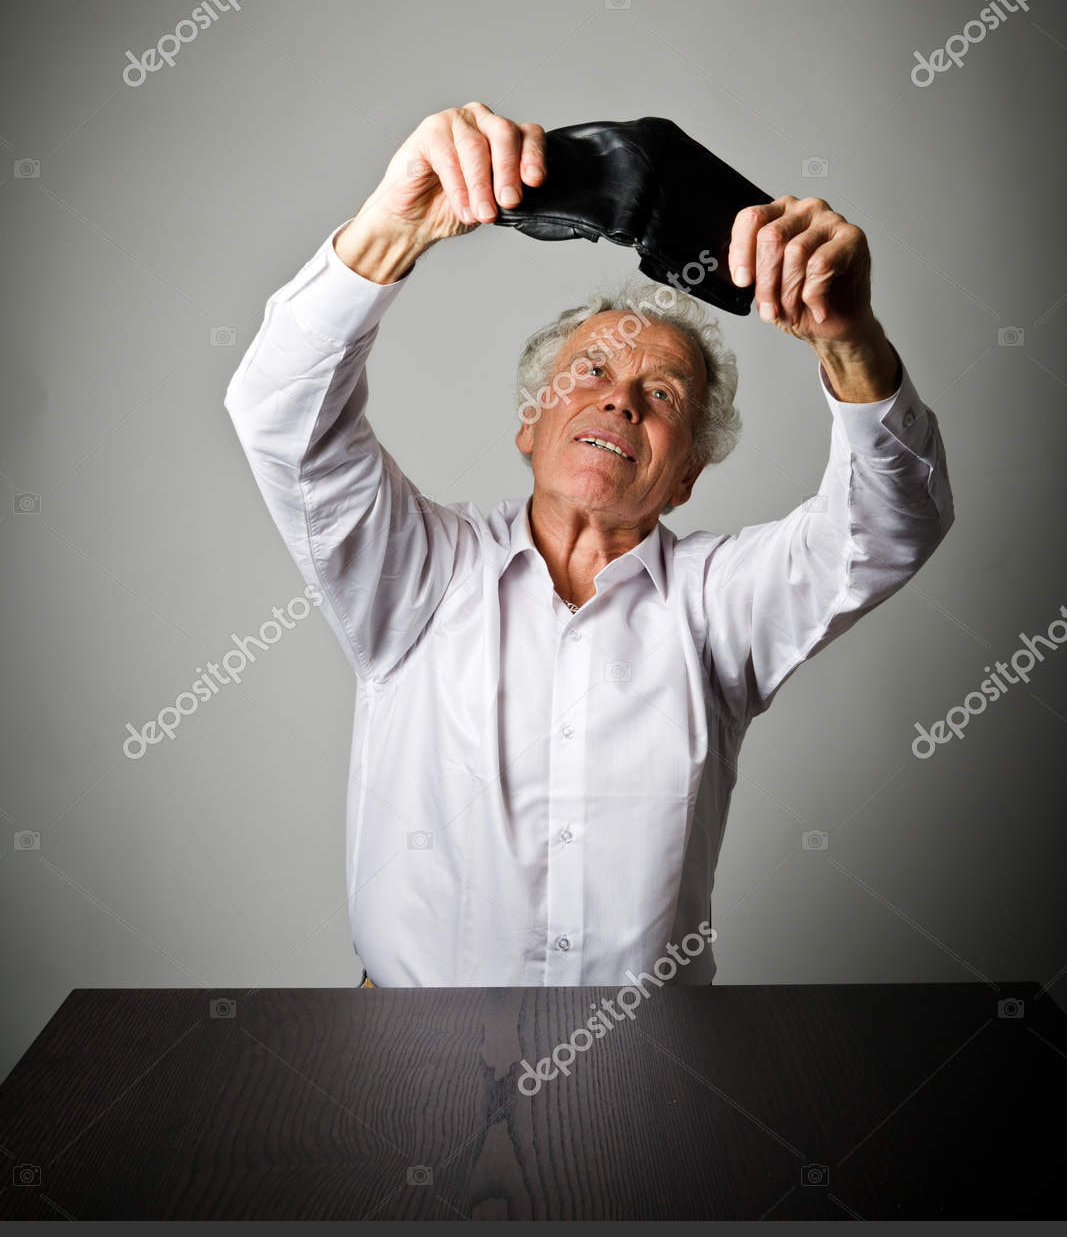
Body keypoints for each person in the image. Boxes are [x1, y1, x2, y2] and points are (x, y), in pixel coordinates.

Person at [224, 101, 953, 987]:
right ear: (530, 426)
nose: (620, 401)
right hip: (406, 1069)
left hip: (654, 1077)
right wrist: (392, 230)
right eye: (590, 374)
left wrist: (848, 340)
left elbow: (891, 520)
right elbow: (282, 417)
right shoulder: (419, 573)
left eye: (663, 395)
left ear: (687, 474)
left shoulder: (718, 606)